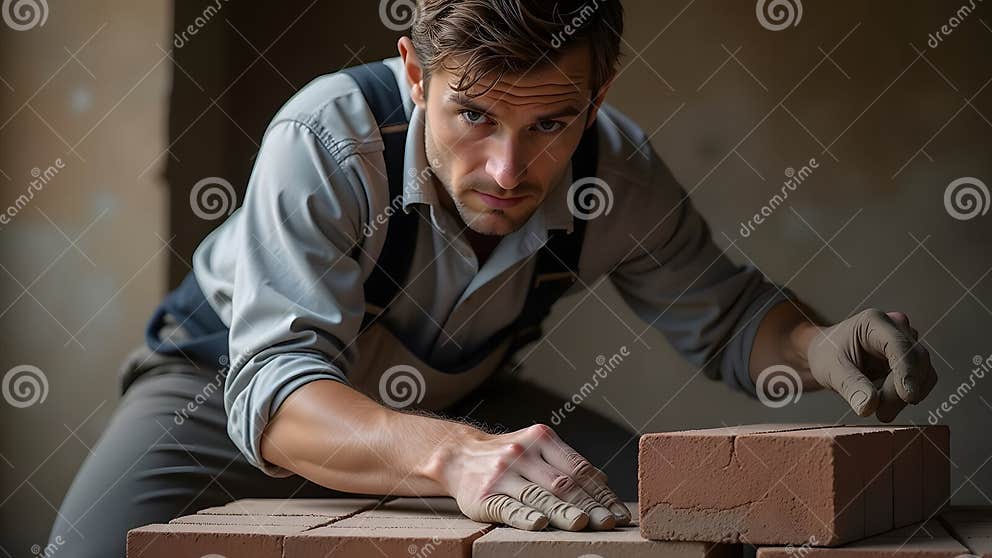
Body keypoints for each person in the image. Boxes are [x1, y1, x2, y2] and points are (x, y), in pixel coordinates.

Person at [49, 1, 937, 555]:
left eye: (552, 122)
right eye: (473, 114)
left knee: (678, 518)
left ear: (598, 95)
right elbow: (279, 397)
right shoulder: (323, 138)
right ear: (414, 74)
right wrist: (457, 458)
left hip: (459, 399)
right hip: (221, 393)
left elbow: (733, 316)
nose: (510, 170)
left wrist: (820, 346)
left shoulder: (615, 173)